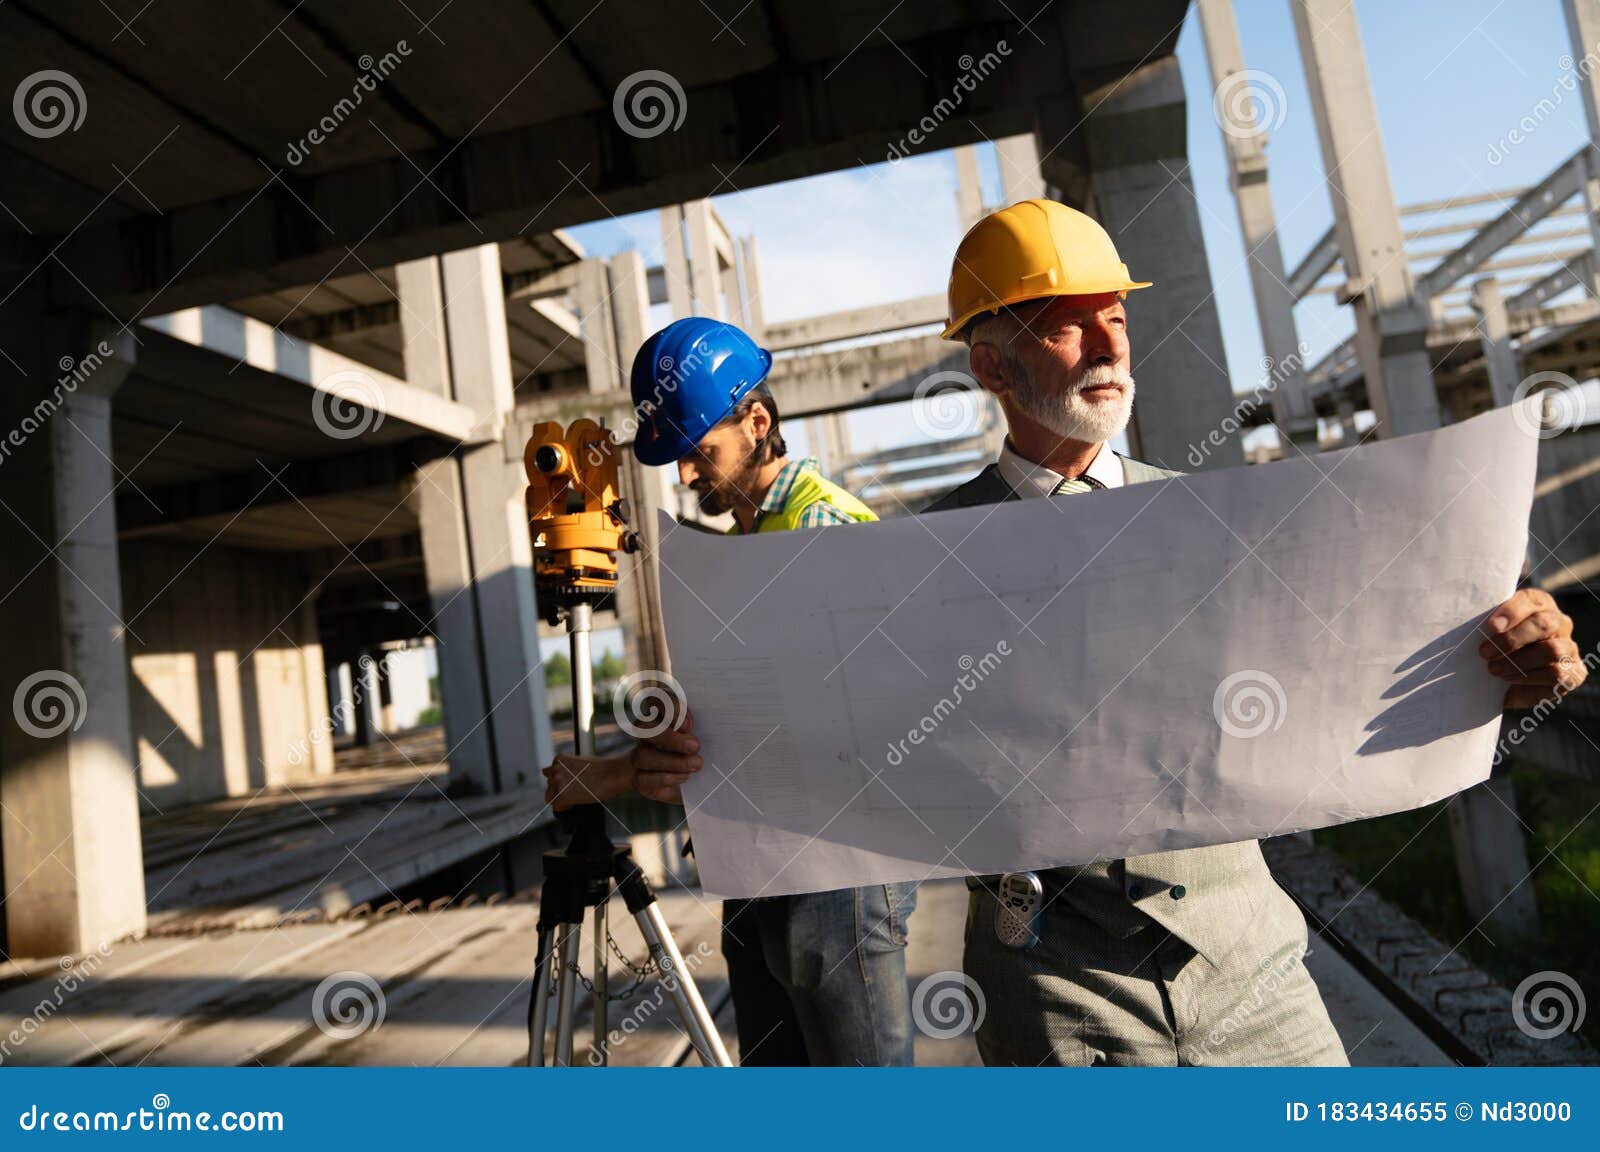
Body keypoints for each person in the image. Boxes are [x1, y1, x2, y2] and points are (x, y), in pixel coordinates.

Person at [915, 198, 1589, 1065]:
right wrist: (708, 755)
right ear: (991, 366)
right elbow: (840, 740)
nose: (1112, 346)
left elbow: (1350, 666)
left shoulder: (1223, 521)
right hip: (1056, 991)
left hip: (1252, 966)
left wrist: (1504, 668)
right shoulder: (922, 562)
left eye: (1116, 318)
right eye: (1068, 327)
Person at [541, 317, 919, 1067]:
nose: (684, 477)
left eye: (699, 452)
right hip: (761, 862)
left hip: (838, 870)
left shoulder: (820, 529)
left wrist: (615, 777)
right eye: (675, 458)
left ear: (758, 421)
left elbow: (814, 732)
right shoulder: (746, 543)